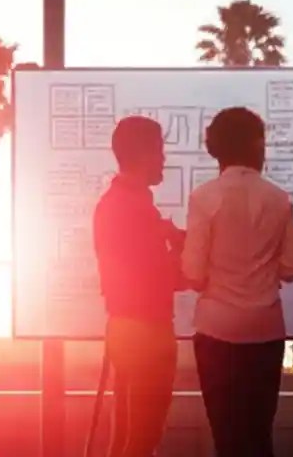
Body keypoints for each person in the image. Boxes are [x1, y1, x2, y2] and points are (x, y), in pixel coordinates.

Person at [182, 107, 293, 457]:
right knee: (259, 434)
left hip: (216, 331)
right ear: (257, 146)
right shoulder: (279, 198)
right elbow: (292, 266)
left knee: (227, 436)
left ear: (215, 148)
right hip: (266, 330)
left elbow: (193, 273)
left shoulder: (203, 198)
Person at [92, 116, 187, 457]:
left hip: (125, 327)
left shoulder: (118, 202)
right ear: (144, 154)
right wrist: (183, 248)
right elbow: (162, 278)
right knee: (143, 439)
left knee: (126, 438)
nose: (163, 159)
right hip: (147, 331)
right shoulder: (134, 208)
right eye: (159, 151)